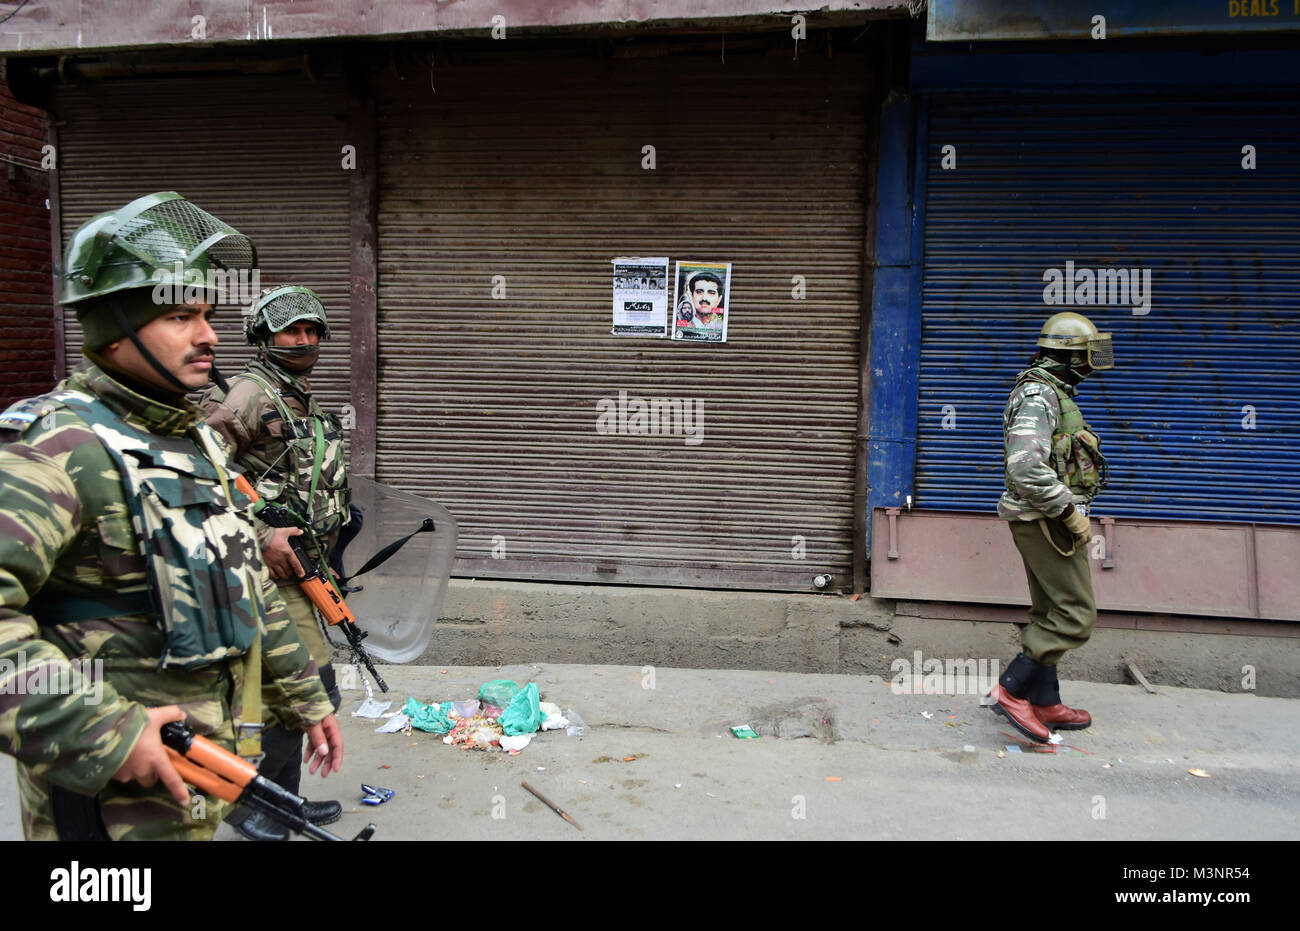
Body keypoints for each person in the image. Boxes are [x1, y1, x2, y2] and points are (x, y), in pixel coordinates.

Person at [0, 192, 342, 840]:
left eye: (208, 314)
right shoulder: (56, 446)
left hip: (194, 788)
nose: (209, 334)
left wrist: (303, 694)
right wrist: (104, 729)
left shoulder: (194, 444)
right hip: (102, 807)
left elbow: (248, 577)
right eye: (182, 315)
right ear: (111, 323)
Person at [201, 285, 351, 842]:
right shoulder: (248, 394)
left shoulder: (294, 394)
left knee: (294, 692)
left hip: (302, 566)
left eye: (313, 332)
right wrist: (261, 532)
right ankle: (248, 807)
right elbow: (200, 470)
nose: (304, 341)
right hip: (261, 569)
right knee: (304, 685)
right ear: (264, 338)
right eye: (293, 331)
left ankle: (283, 802)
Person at [989, 311, 1113, 743]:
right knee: (1076, 617)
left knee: (1050, 613)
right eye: (1087, 354)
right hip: (1045, 520)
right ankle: (1011, 689)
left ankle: (1045, 700)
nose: (1092, 362)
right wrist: (1070, 515)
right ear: (1069, 356)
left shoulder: (1052, 391)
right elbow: (1025, 468)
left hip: (1045, 519)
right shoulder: (1038, 396)